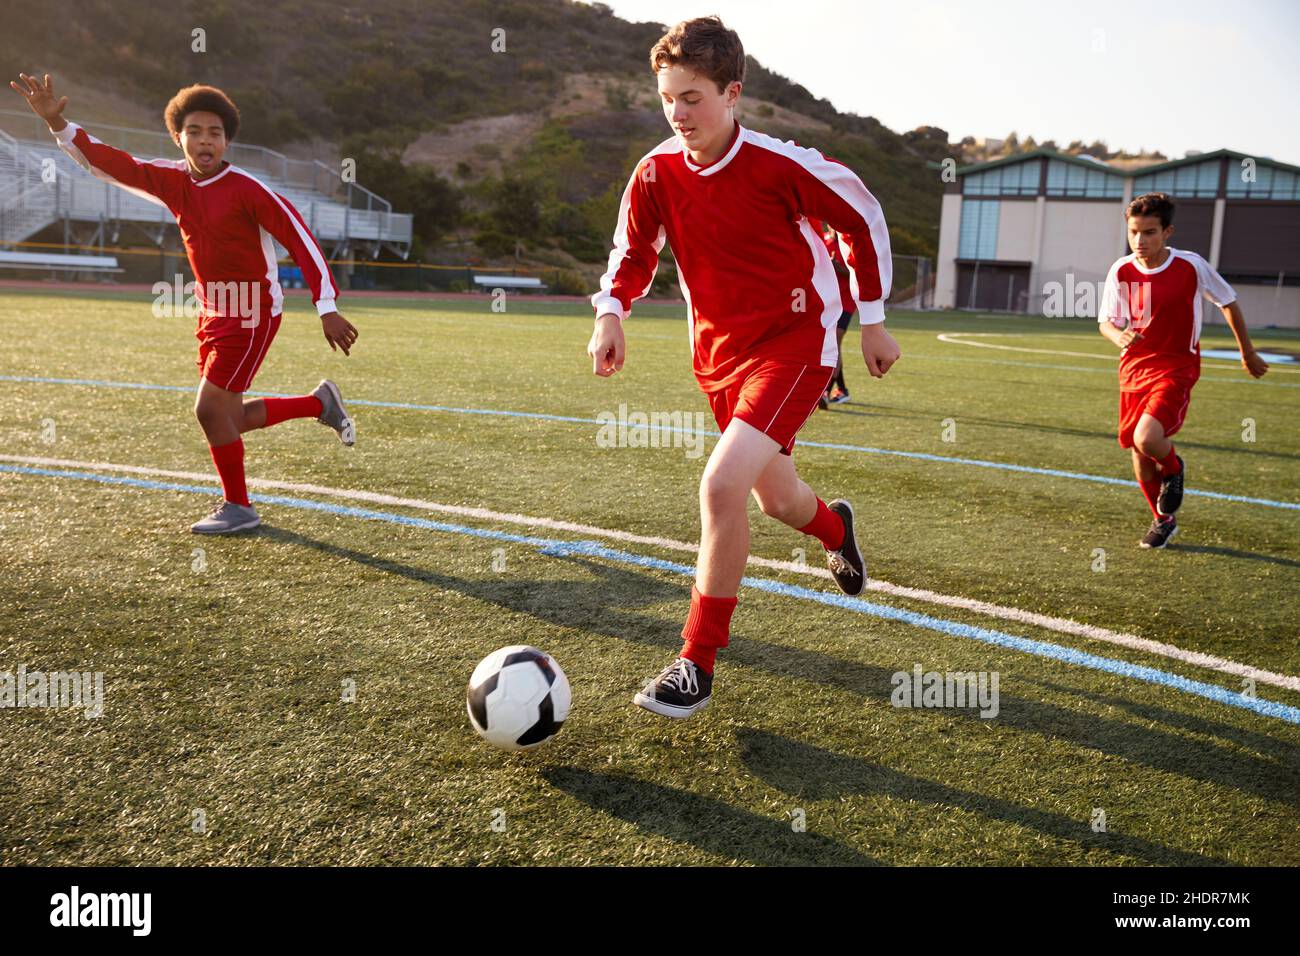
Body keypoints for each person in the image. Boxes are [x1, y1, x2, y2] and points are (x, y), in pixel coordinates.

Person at [587, 17, 899, 718]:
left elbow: (862, 215)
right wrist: (611, 313)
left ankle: (694, 662)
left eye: (693, 97)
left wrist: (873, 319)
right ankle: (835, 529)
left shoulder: (780, 164)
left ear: (733, 94)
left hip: (796, 343)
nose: (678, 113)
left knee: (721, 487)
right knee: (775, 500)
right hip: (718, 359)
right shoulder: (656, 172)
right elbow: (633, 252)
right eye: (668, 97)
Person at [10, 74, 358, 534]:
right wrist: (59, 125)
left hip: (252, 313)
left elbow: (300, 237)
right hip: (213, 311)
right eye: (194, 131)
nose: (204, 140)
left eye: (214, 132)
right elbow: (110, 163)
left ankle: (239, 507)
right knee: (230, 417)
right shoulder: (171, 179)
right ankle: (319, 404)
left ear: (227, 140)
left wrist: (326, 305)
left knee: (209, 411)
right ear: (179, 137)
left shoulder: (249, 189)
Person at [1098, 192, 1268, 548]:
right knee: (1140, 455)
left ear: (1167, 231)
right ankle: (1163, 520)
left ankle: (1174, 471)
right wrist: (1118, 335)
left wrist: (1247, 351)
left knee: (1148, 438)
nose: (1139, 241)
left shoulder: (1190, 265)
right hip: (1133, 370)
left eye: (1149, 232)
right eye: (1133, 232)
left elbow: (1228, 302)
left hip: (1177, 367)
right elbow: (1107, 322)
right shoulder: (1122, 269)